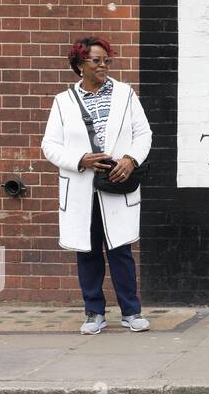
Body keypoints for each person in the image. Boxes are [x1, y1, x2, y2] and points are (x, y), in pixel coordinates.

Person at [41, 36, 153, 335]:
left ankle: (132, 312)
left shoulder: (125, 95)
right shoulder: (63, 102)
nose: (104, 65)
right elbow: (49, 146)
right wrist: (81, 159)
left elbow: (144, 134)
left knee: (120, 249)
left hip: (116, 183)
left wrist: (130, 159)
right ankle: (94, 313)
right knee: (87, 252)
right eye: (97, 60)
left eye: (106, 60)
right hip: (81, 187)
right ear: (80, 65)